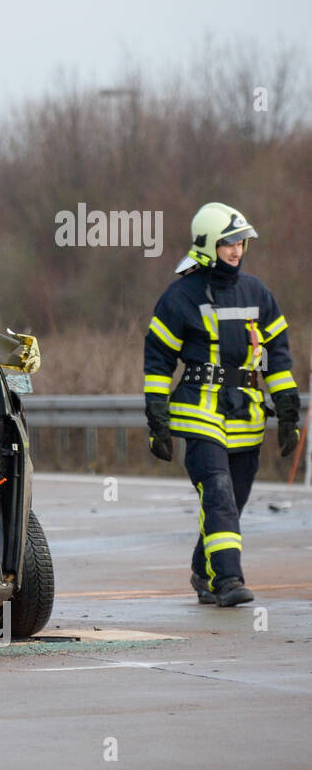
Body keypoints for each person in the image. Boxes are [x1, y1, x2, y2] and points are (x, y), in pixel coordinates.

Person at [143, 202, 299, 608]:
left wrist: (287, 411)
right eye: (229, 242)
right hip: (199, 412)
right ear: (209, 245)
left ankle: (203, 570)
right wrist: (157, 418)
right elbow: (159, 360)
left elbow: (277, 356)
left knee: (235, 499)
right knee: (218, 493)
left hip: (246, 412)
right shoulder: (180, 296)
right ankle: (229, 579)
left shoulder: (257, 292)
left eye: (241, 242)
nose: (237, 250)